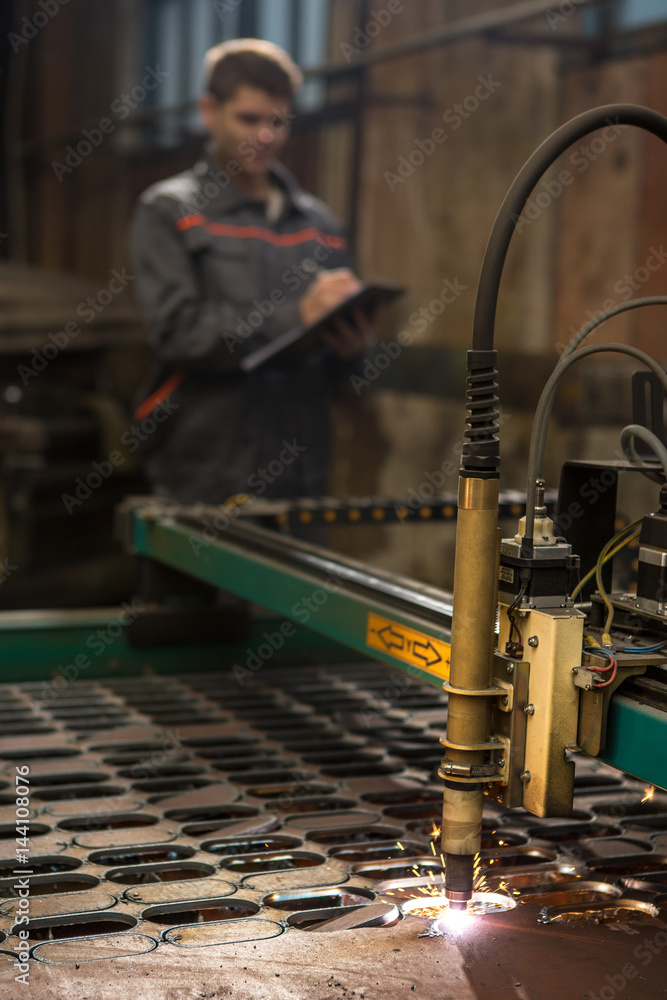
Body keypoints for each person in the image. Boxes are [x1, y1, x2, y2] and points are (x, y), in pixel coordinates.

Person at [130, 38, 375, 508]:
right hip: (205, 475)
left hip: (300, 474)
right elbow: (180, 332)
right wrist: (297, 316)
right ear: (208, 111)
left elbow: (344, 367)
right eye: (249, 119)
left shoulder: (320, 226)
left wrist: (353, 349)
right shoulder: (171, 211)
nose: (266, 135)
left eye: (278, 121)